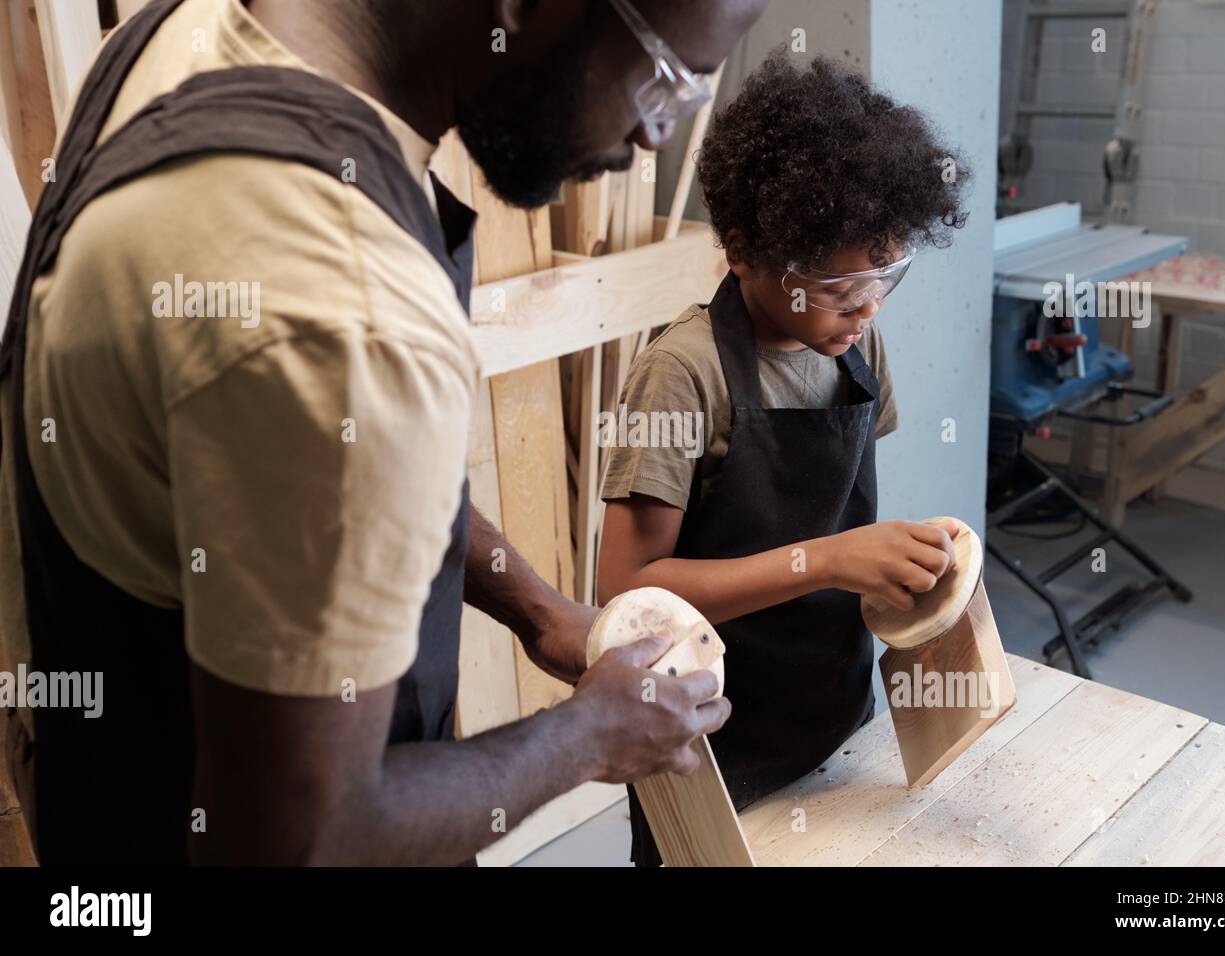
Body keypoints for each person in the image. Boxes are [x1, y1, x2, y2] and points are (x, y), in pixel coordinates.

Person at [0, 0, 766, 865]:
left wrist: (533, 605)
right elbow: (302, 837)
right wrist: (588, 738)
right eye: (665, 76)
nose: (659, 136)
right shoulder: (343, 309)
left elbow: (286, 471)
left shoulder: (192, 33)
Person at [596, 50, 972, 866]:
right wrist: (830, 559)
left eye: (885, 280)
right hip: (709, 743)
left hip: (835, 716)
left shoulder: (856, 352)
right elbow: (626, 593)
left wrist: (906, 566)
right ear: (743, 251)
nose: (866, 311)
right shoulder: (683, 372)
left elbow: (837, 513)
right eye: (839, 292)